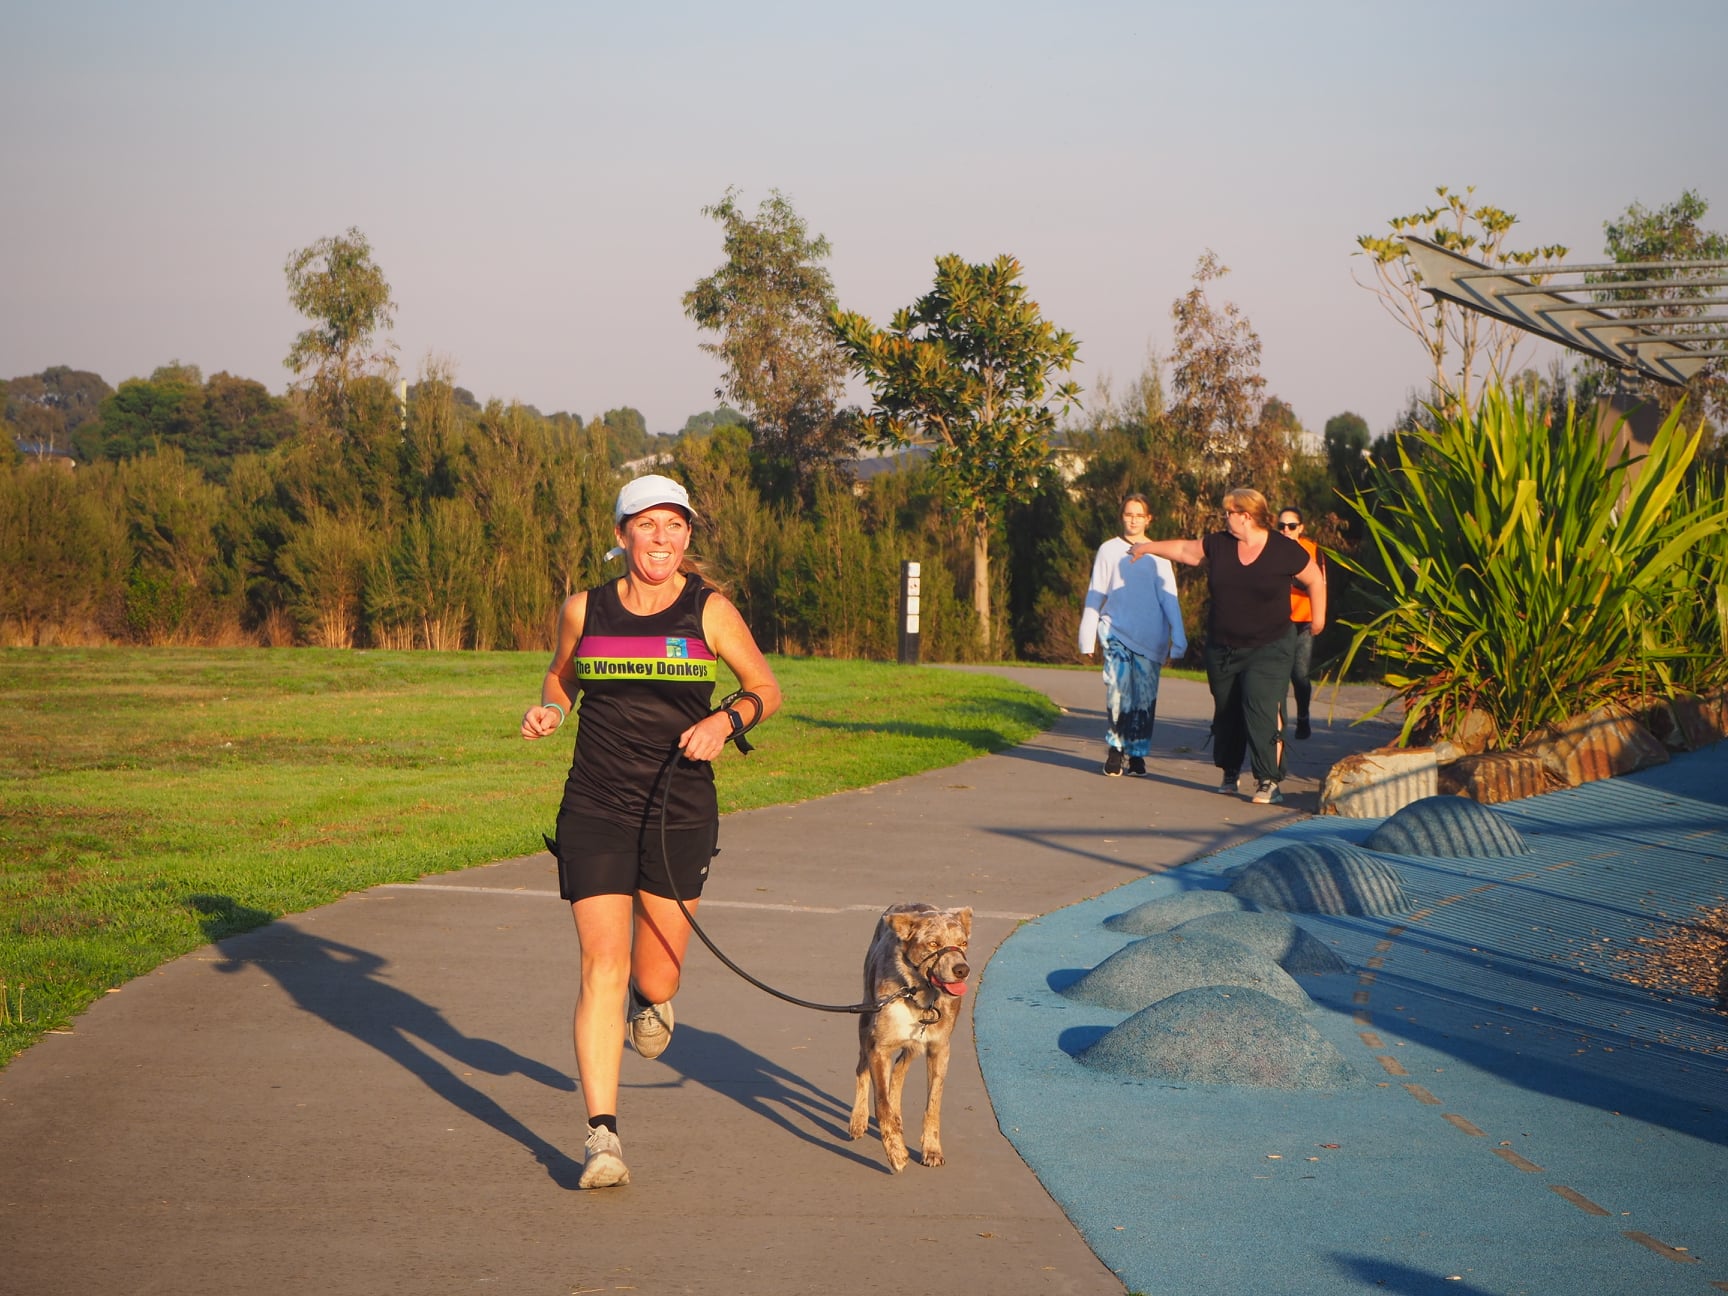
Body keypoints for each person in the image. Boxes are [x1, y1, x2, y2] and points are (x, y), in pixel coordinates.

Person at [521, 473, 781, 1189]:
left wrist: (725, 722)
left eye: (674, 525)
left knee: (653, 971)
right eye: (647, 525)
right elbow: (560, 676)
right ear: (621, 534)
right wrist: (552, 709)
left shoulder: (709, 609)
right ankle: (602, 1137)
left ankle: (654, 998)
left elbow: (767, 688)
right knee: (599, 965)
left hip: (679, 806)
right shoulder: (586, 608)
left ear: (687, 535)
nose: (661, 539)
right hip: (595, 804)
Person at [1130, 487, 1325, 805]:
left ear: (1245, 516)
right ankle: (1230, 770)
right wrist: (1147, 547)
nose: (1225, 518)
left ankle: (1268, 779)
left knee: (1260, 707)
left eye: (1228, 513)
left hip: (1271, 645)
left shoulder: (1282, 548)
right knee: (1227, 711)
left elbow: (1315, 579)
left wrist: (1318, 619)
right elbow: (1185, 550)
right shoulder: (1219, 544)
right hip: (1223, 646)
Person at [1077, 493, 1187, 778]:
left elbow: (1169, 599)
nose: (1134, 519)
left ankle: (1137, 752)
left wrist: (1178, 636)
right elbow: (1096, 592)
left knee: (1144, 699)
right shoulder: (1108, 550)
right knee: (1118, 691)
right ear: (1121, 516)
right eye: (1129, 514)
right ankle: (1116, 750)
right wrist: (1086, 635)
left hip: (1151, 638)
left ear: (1149, 519)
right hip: (1115, 631)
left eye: (1139, 515)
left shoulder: (1159, 554)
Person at [1276, 506, 1323, 741]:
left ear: (1301, 528)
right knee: (1278, 675)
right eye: (1282, 526)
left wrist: (1319, 618)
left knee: (1300, 674)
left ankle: (1303, 716)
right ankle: (1279, 723)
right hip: (1277, 621)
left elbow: (1317, 584)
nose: (1286, 530)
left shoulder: (1312, 551)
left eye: (1291, 526)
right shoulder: (1270, 548)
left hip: (1304, 620)